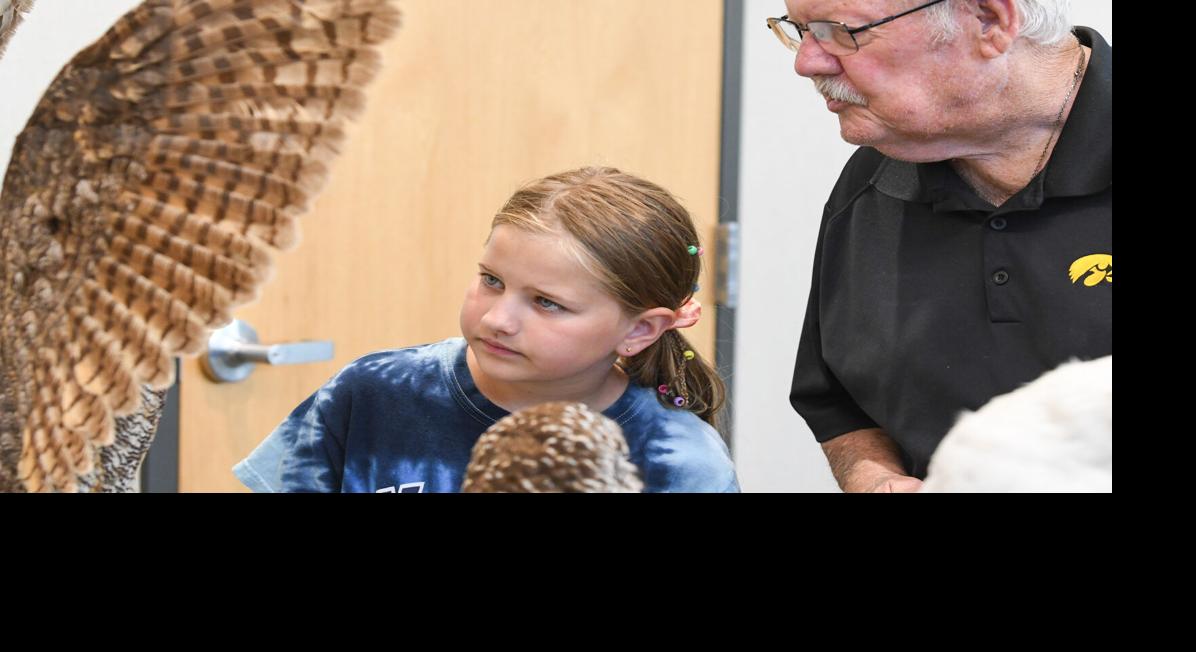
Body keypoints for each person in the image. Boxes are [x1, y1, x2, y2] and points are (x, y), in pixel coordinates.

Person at [773, 0, 1111, 491]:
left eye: (840, 31)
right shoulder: (875, 177)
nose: (807, 62)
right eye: (800, 30)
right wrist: (872, 476)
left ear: (989, 21)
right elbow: (836, 400)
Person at [233, 167, 739, 493]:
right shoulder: (372, 391)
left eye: (547, 303)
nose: (497, 318)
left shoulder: (680, 460)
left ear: (641, 330)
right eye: (491, 281)